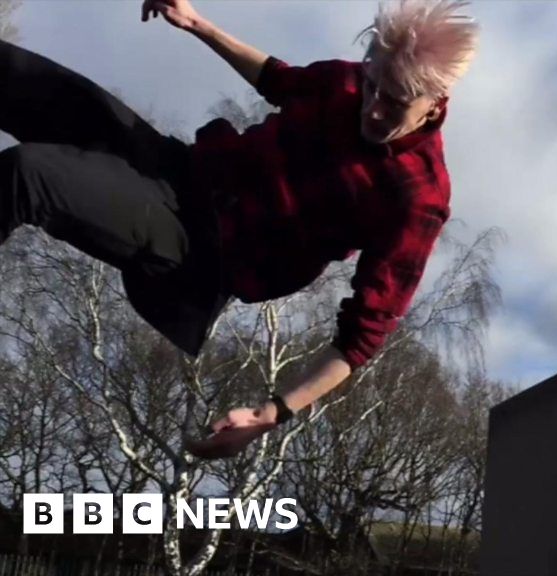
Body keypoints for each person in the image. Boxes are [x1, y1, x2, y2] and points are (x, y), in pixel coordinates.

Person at [0, 0, 479, 459]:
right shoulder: (345, 84)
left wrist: (271, 413)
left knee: (27, 174)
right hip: (182, 170)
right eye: (373, 85)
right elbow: (277, 78)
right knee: (16, 75)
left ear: (435, 102)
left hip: (201, 251)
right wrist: (196, 23)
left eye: (394, 103)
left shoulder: (417, 199)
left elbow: (361, 338)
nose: (373, 109)